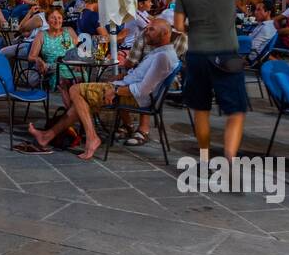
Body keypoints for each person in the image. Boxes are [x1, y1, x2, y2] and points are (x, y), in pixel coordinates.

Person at [29, 18, 179, 159]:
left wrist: (115, 90)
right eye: (147, 28)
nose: (146, 32)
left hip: (131, 97)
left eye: (151, 30)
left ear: (165, 34)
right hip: (125, 88)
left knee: (75, 90)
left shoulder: (163, 57)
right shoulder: (160, 52)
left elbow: (142, 90)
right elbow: (141, 77)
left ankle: (92, 137)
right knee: (80, 103)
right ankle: (46, 136)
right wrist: (121, 78)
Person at [173, 0, 262, 163]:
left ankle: (204, 157)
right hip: (226, 55)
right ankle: (229, 158)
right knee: (236, 111)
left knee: (201, 110)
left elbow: (178, 26)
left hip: (198, 54)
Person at [25, 7, 77, 92]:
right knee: (65, 83)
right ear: (47, 20)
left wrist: (79, 60)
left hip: (73, 68)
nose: (57, 21)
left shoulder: (69, 31)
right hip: (54, 70)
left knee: (79, 82)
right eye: (53, 18)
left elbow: (77, 52)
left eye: (59, 18)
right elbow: (31, 56)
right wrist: (38, 59)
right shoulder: (42, 34)